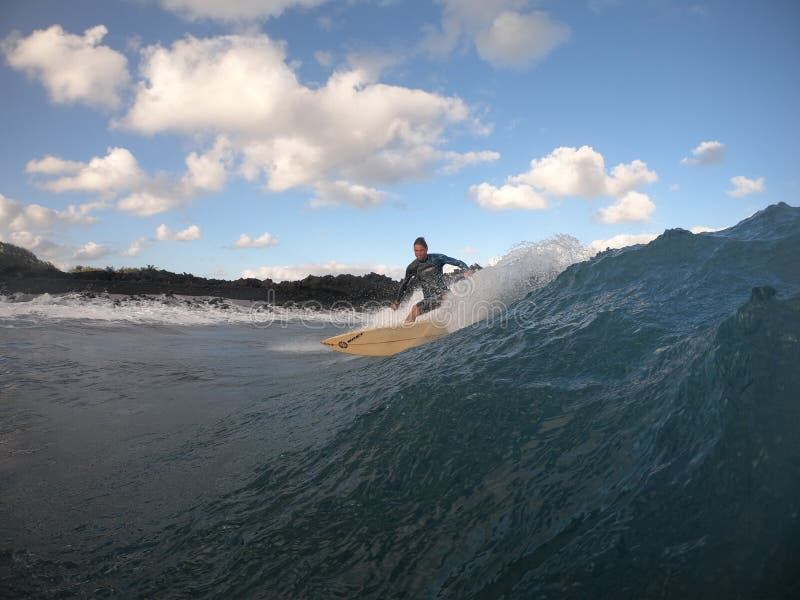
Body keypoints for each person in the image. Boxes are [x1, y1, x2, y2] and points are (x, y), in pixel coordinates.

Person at [391, 236, 472, 323]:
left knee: (446, 297)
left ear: (426, 249)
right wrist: (397, 302)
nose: (419, 253)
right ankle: (405, 331)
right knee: (414, 309)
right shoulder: (412, 267)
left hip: (443, 294)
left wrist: (466, 269)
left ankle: (462, 318)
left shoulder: (437, 258)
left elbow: (457, 262)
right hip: (429, 300)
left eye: (421, 250)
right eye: (416, 251)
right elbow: (405, 285)